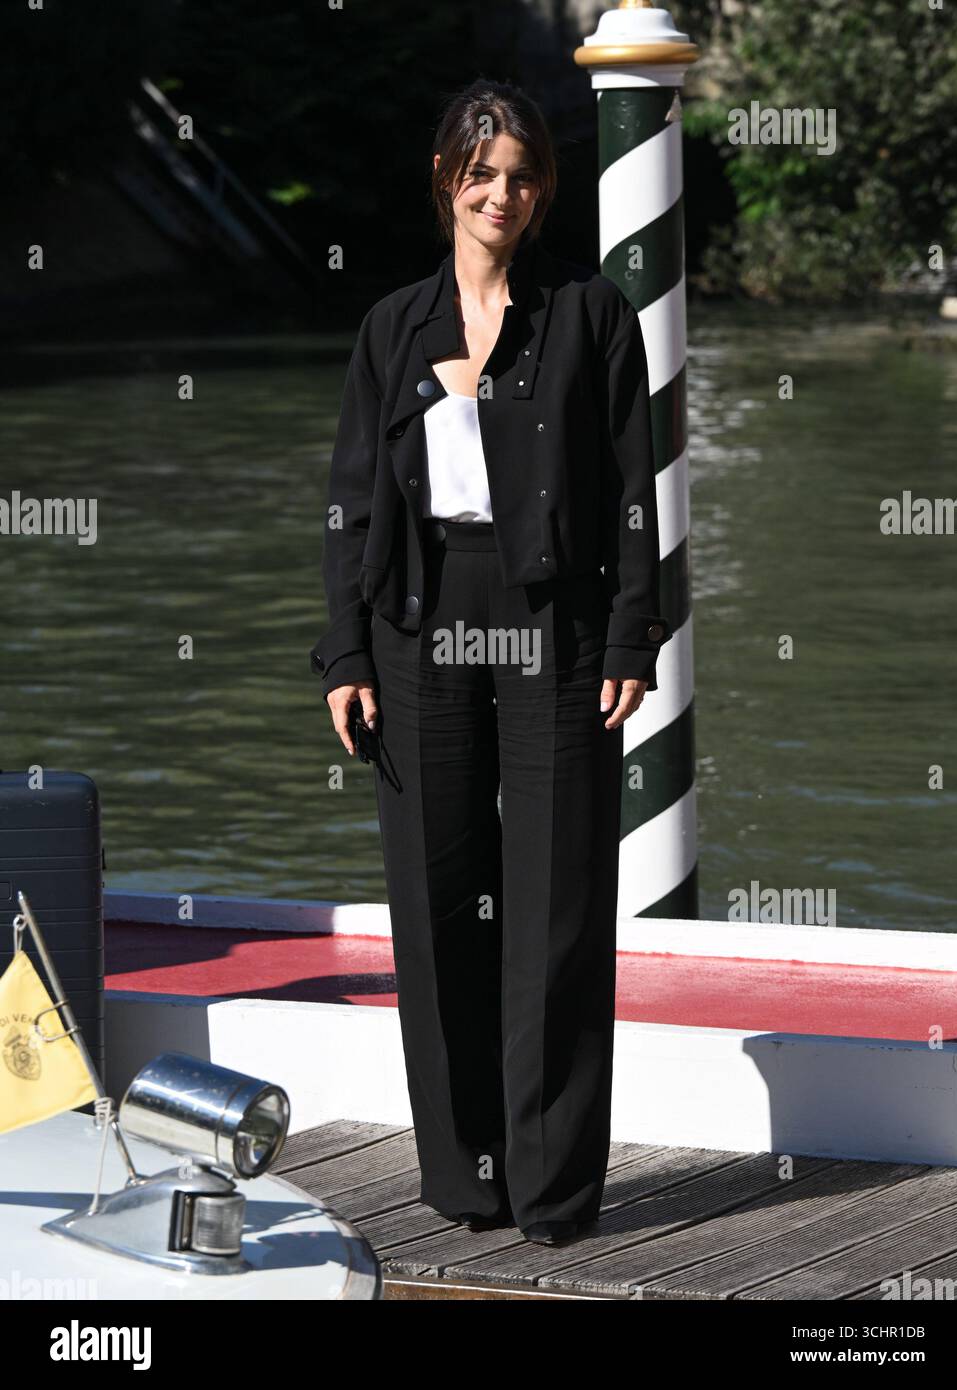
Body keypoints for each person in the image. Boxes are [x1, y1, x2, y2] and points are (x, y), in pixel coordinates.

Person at [310, 79, 671, 1247]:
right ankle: (470, 1181)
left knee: (557, 908)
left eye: (521, 174)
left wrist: (632, 633)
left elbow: (631, 491)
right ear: (445, 177)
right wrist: (344, 653)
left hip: (557, 631)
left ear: (543, 187)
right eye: (481, 170)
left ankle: (556, 1190)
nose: (500, 192)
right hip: (420, 632)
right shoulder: (392, 328)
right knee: (435, 905)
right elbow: (353, 508)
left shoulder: (591, 314)